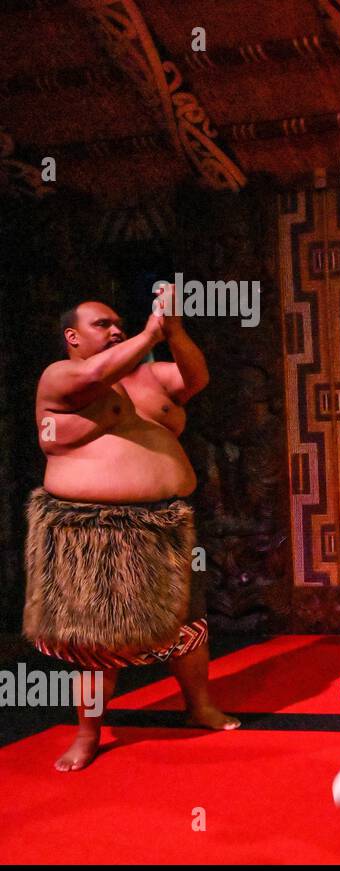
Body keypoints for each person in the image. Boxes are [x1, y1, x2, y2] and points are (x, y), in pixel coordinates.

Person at [25, 284, 239, 773]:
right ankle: (87, 733)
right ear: (72, 336)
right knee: (96, 640)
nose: (115, 328)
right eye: (102, 324)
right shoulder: (63, 376)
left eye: (119, 322)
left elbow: (196, 376)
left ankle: (198, 706)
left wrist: (174, 330)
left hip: (165, 524)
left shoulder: (151, 377)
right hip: (92, 531)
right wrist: (147, 332)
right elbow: (99, 372)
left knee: (188, 625)